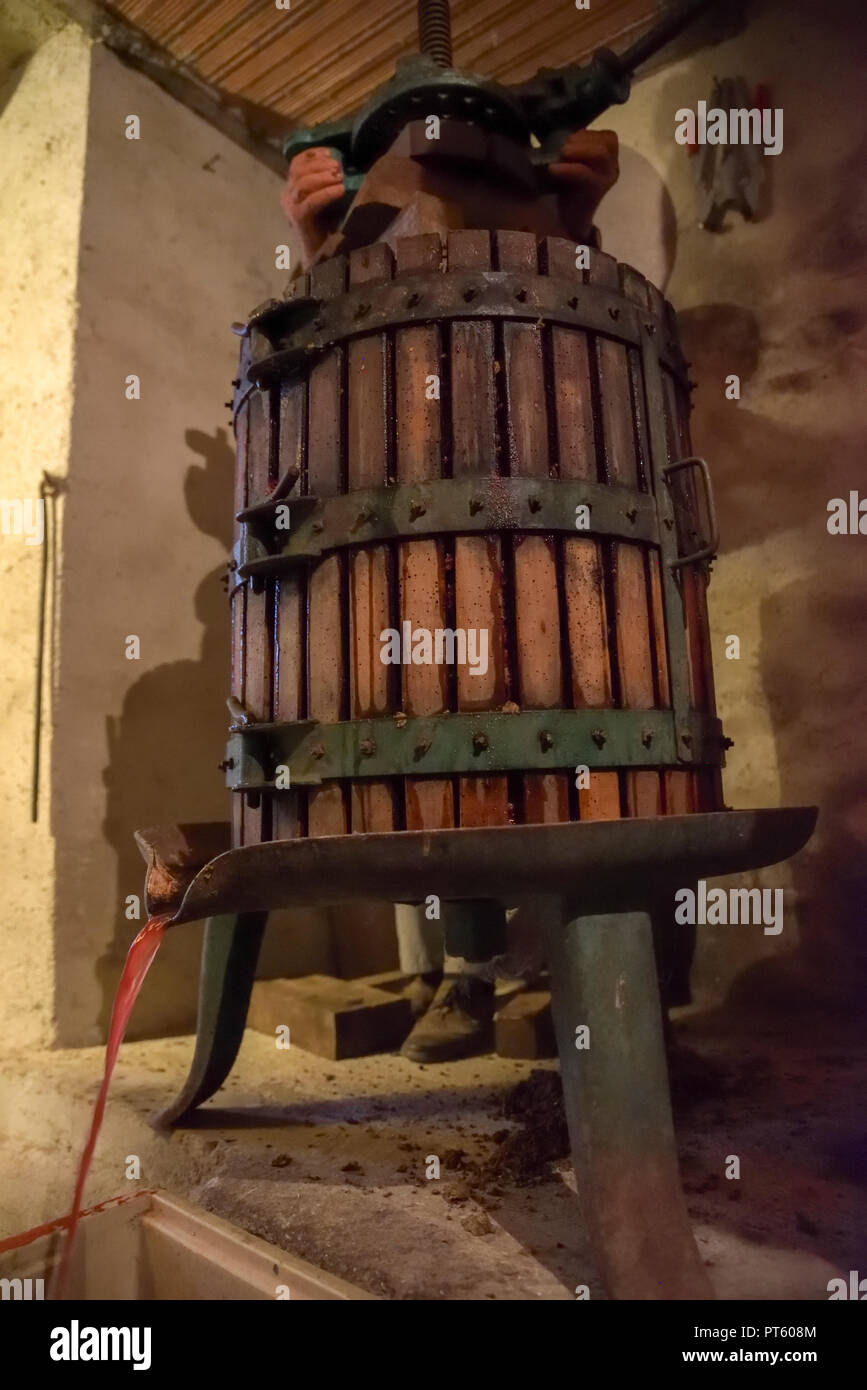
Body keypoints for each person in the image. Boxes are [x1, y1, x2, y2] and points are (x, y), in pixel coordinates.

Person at [281, 126, 620, 1062]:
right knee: (429, 733)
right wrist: (320, 250)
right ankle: (461, 972)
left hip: (543, 538)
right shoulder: (371, 279)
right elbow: (337, 382)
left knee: (541, 729)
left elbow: (576, 349)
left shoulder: (534, 279)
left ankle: (553, 971)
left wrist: (572, 223)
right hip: (409, 542)